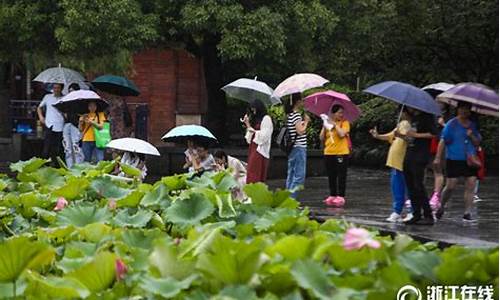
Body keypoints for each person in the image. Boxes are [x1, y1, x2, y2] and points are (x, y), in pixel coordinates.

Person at [434, 102, 481, 222]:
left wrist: (471, 136)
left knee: (471, 184)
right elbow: (443, 141)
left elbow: (477, 143)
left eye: (467, 109)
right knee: (450, 186)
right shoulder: (451, 124)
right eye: (462, 109)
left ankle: (467, 212)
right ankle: (441, 206)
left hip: (470, 159)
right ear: (458, 110)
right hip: (454, 158)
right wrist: (438, 157)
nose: (464, 111)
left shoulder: (473, 125)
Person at [370, 107, 412, 222]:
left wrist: (400, 135)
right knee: (396, 187)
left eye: (401, 112)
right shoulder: (401, 123)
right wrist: (377, 135)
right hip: (395, 161)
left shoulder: (408, 124)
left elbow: (409, 139)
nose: (400, 114)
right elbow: (390, 135)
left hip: (402, 160)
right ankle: (397, 211)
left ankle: (410, 211)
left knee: (407, 187)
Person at [396, 108, 436, 225]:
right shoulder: (413, 119)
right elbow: (411, 138)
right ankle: (416, 213)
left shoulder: (427, 117)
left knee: (418, 185)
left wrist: (416, 134)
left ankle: (428, 214)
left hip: (420, 154)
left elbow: (433, 134)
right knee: (410, 185)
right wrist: (402, 136)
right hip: (410, 153)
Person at [320, 104, 351, 207]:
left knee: (341, 175)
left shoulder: (344, 123)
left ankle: (341, 196)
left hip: (341, 152)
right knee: (331, 175)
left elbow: (342, 134)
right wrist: (325, 126)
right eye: (339, 112)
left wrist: (334, 124)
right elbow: (321, 138)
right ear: (333, 114)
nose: (341, 114)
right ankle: (332, 195)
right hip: (329, 152)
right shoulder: (327, 124)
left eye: (342, 112)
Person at [284, 93, 310, 199]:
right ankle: (292, 199)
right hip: (299, 147)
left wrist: (302, 122)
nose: (303, 102)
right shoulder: (296, 115)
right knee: (299, 176)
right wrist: (307, 122)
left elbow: (295, 130)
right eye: (302, 100)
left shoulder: (290, 115)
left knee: (291, 174)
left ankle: (286, 198)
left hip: (292, 149)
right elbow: (300, 131)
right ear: (297, 101)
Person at [429, 103, 453, 213]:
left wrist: (444, 124)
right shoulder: (433, 114)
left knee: (439, 169)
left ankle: (437, 195)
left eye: (440, 101)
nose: (438, 103)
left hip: (443, 144)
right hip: (432, 142)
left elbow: (452, 133)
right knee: (433, 168)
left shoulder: (450, 117)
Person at [243, 99, 273, 183]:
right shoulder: (255, 119)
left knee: (255, 171)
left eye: (254, 109)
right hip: (253, 147)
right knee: (251, 170)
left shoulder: (266, 119)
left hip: (260, 149)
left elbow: (265, 136)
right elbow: (249, 138)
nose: (254, 112)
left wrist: (255, 132)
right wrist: (247, 124)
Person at [37, 83, 65, 165]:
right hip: (49, 124)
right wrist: (41, 117)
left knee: (58, 147)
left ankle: (56, 164)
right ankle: (45, 163)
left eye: (58, 88)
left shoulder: (64, 98)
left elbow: (66, 114)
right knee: (47, 146)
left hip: (60, 125)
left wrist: (61, 110)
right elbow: (39, 107)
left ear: (61, 89)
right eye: (54, 88)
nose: (56, 89)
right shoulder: (48, 97)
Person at [62, 83, 84, 167]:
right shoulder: (66, 101)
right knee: (67, 148)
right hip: (67, 125)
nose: (71, 93)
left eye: (73, 91)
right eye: (70, 91)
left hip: (76, 125)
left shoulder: (81, 102)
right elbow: (64, 113)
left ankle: (79, 166)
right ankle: (69, 167)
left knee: (76, 147)